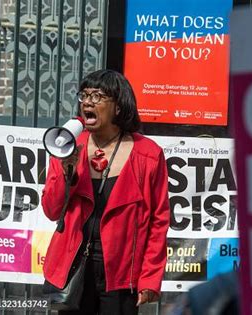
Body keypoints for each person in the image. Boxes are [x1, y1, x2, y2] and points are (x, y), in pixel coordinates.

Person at [42, 69, 170, 314]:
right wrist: (66, 173)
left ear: (119, 107)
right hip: (74, 267)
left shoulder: (148, 154)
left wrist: (150, 277)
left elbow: (158, 220)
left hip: (121, 273)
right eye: (85, 95)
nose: (88, 102)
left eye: (98, 96)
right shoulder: (68, 146)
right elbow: (51, 210)